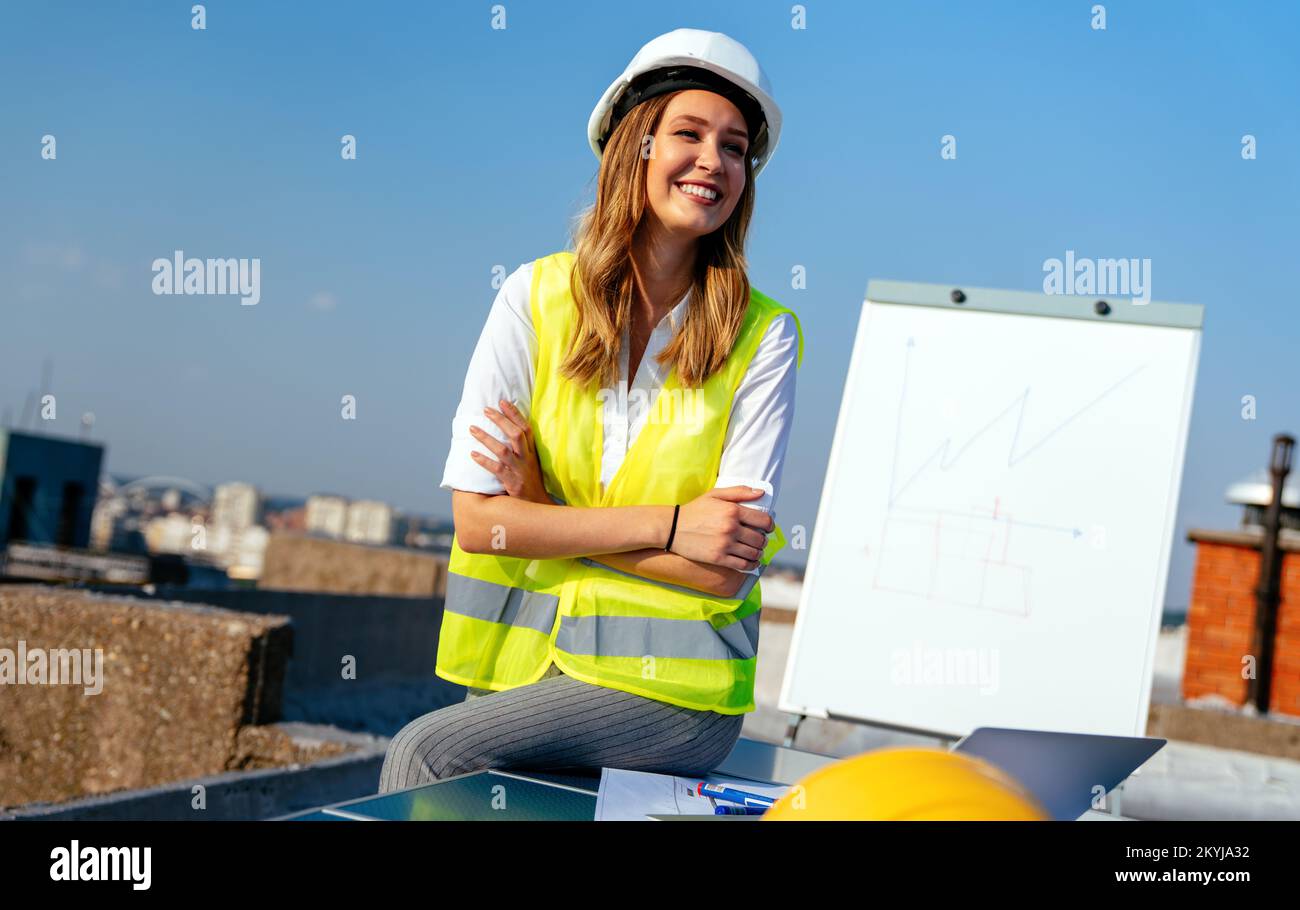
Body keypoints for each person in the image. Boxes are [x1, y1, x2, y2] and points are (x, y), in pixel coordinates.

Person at [379, 28, 803, 793]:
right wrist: (672, 525)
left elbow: (721, 579)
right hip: (523, 670)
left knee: (426, 753)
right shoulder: (533, 298)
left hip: (676, 696)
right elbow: (481, 523)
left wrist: (545, 516)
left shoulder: (763, 337)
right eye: (690, 133)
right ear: (636, 145)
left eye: (736, 147)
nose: (715, 160)